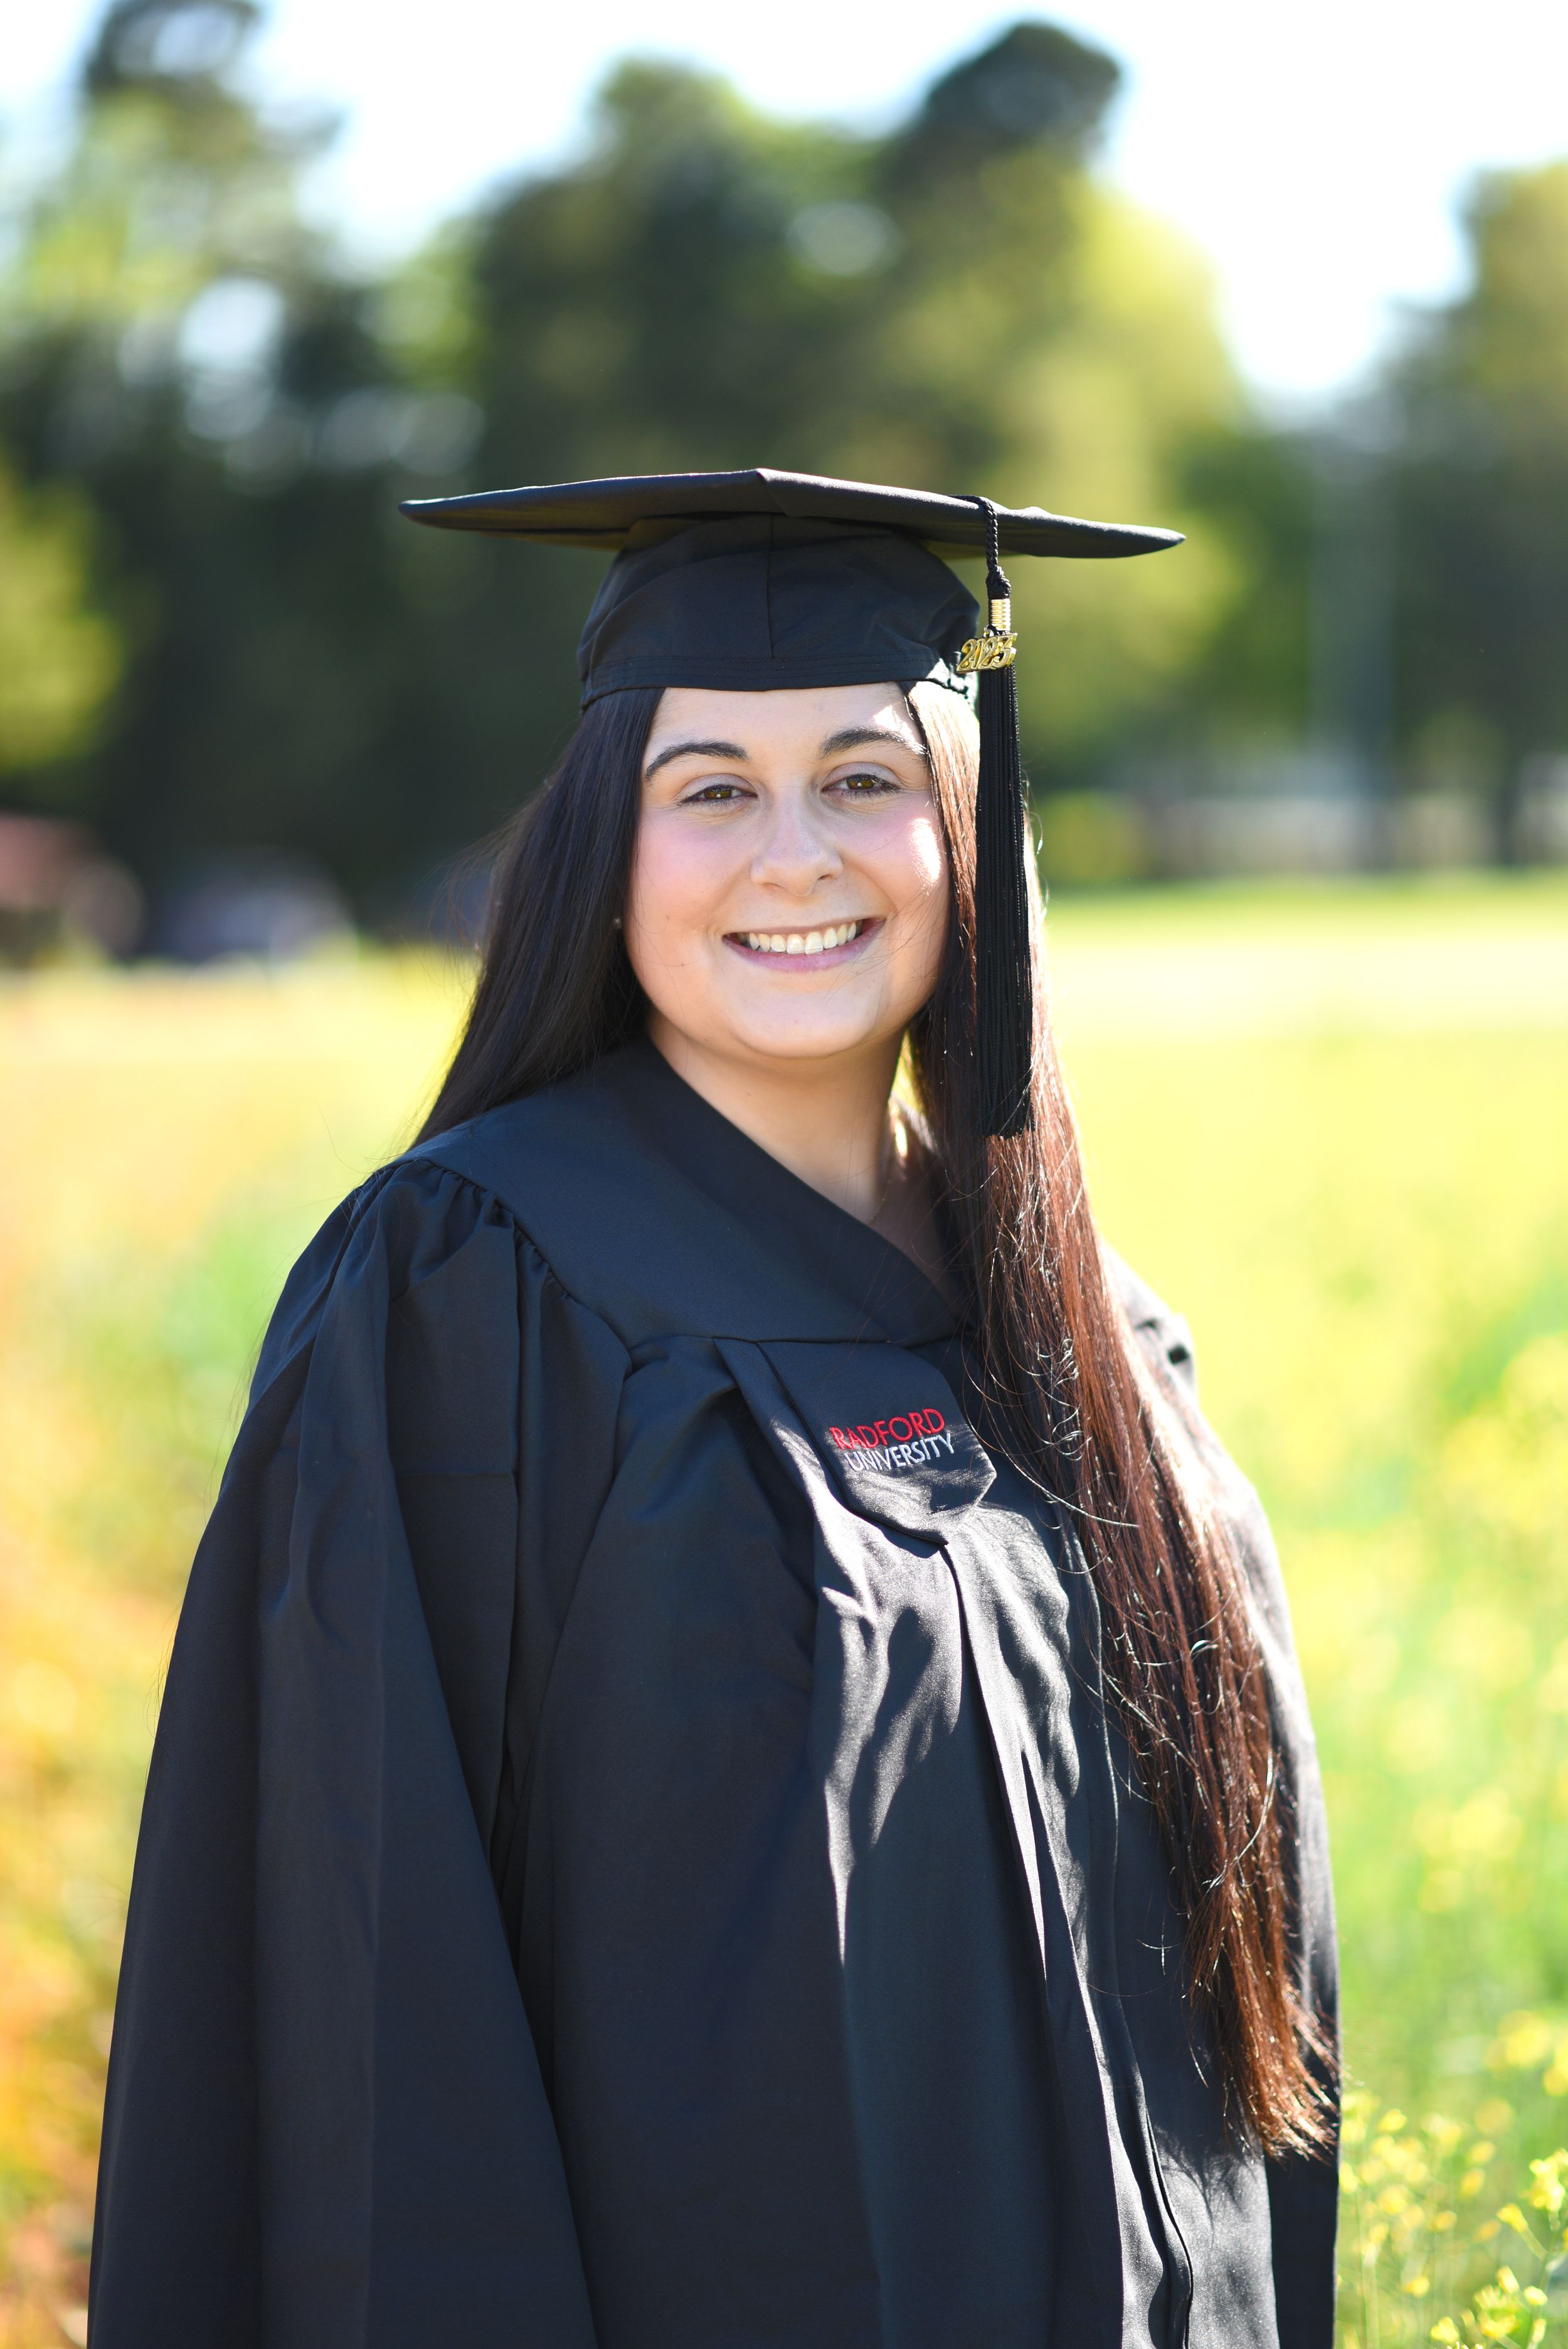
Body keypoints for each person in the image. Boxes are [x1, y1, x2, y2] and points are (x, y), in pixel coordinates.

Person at [90, 470, 1338, 2349]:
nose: (793, 855)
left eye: (861, 777)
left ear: (964, 835)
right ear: (608, 847)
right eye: (710, 790)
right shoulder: (466, 1291)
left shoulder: (1088, 1333)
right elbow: (372, 1997)